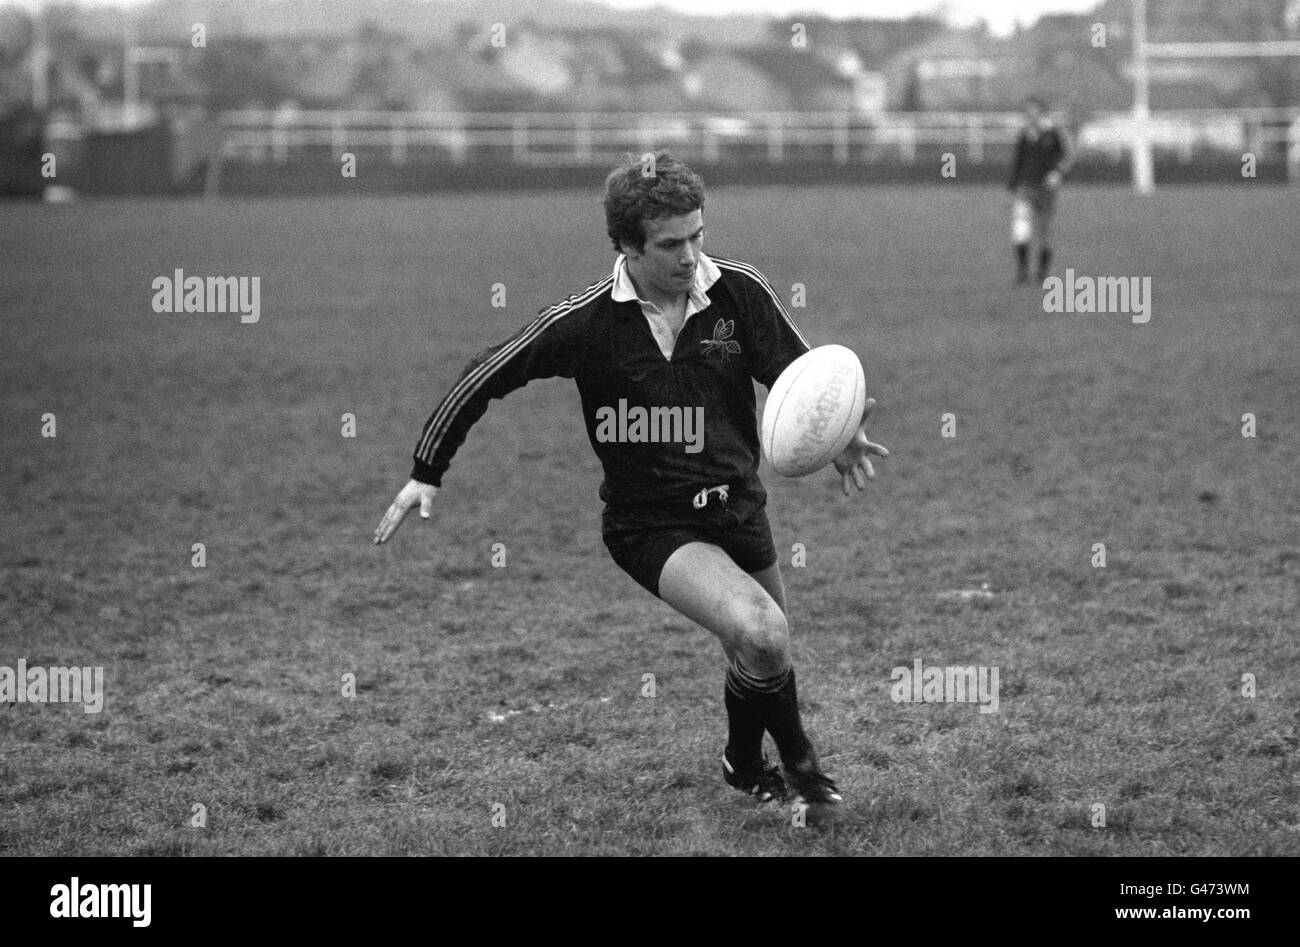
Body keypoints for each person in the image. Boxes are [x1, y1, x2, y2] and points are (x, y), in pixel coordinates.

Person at [373, 150, 889, 824]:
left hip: (739, 505)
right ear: (625, 244)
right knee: (762, 631)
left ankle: (740, 760)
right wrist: (425, 469)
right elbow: (485, 373)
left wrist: (839, 433)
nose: (691, 256)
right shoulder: (587, 323)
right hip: (651, 525)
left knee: (761, 648)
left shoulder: (737, 291)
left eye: (698, 235)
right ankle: (805, 771)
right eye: (671, 244)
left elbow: (802, 381)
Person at [1008, 97, 1073, 284]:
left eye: (1035, 112)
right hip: (1025, 188)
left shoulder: (1054, 134)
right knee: (1020, 229)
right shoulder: (1024, 135)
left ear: (1042, 113)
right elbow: (1018, 161)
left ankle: (1042, 273)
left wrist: (1057, 173)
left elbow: (1067, 156)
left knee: (1044, 232)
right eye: (1028, 113)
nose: (1031, 116)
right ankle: (1022, 272)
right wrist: (1013, 183)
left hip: (1046, 190)